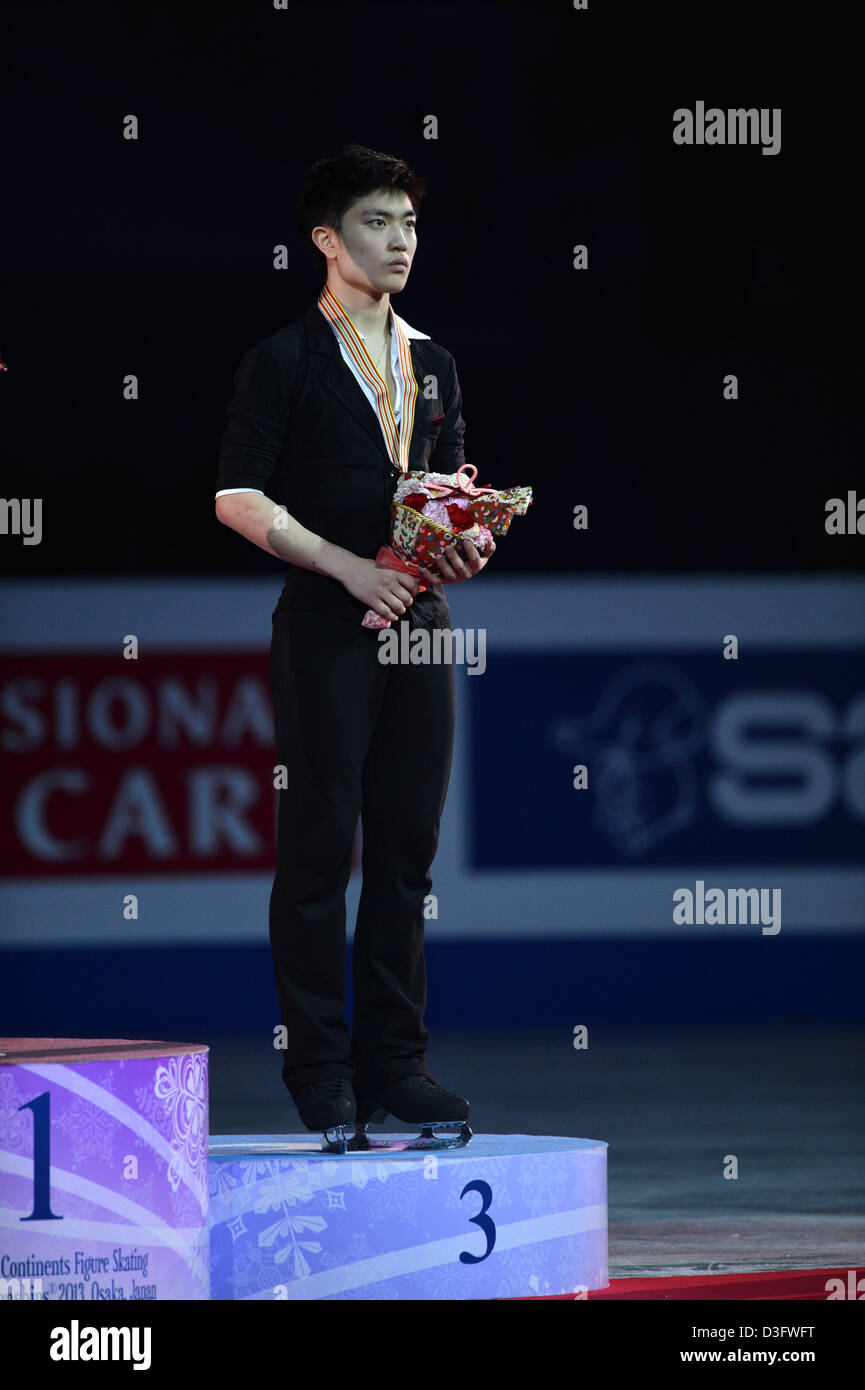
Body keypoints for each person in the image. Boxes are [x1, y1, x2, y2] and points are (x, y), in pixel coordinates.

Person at [214, 143, 494, 1147]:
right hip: (328, 625)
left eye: (410, 224)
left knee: (408, 855)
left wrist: (462, 543)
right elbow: (237, 497)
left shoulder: (435, 361)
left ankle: (396, 1065)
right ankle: (320, 1069)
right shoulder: (283, 360)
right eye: (378, 224)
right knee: (319, 847)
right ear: (327, 241)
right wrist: (347, 568)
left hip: (418, 623)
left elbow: (444, 496)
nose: (401, 241)